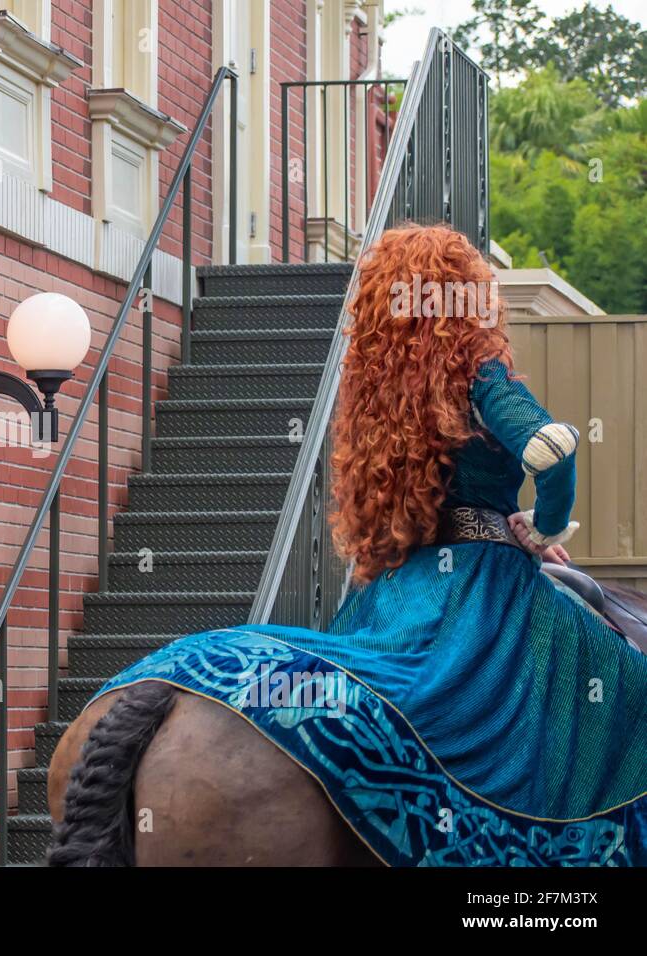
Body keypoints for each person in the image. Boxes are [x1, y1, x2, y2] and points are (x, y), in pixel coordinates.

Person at [92, 225, 647, 865]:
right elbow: (553, 448)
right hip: (483, 591)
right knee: (624, 687)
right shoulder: (482, 373)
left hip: (396, 588)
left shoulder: (379, 393)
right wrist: (544, 527)